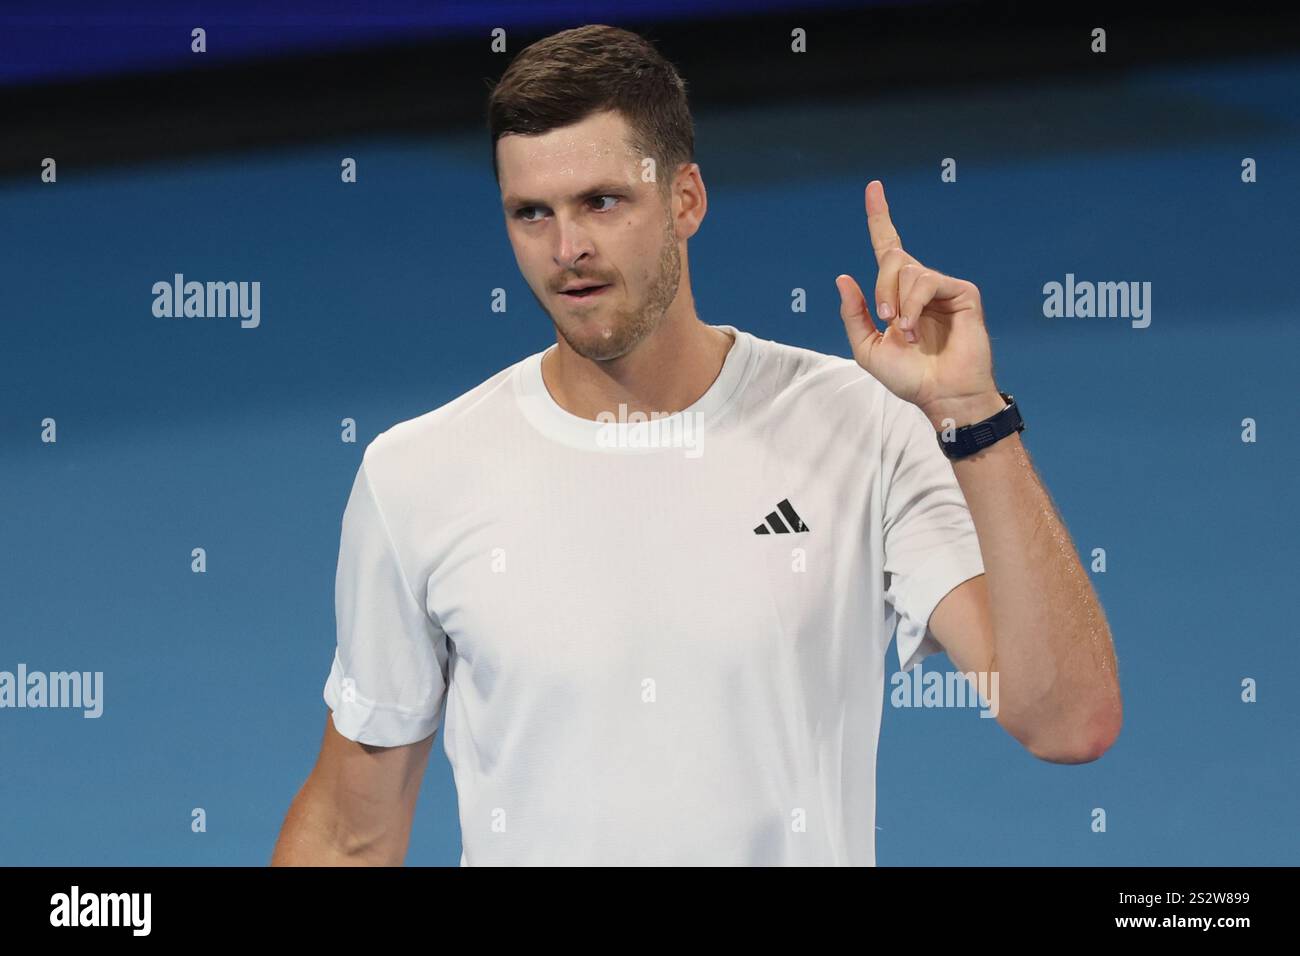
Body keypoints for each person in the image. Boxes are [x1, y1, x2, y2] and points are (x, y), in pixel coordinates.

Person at [271, 24, 1121, 867]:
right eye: (532, 214)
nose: (567, 251)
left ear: (685, 200)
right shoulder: (417, 475)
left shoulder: (861, 426)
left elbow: (1066, 721)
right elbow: (351, 834)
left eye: (601, 202)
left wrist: (974, 413)